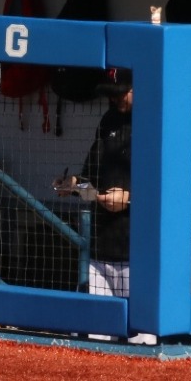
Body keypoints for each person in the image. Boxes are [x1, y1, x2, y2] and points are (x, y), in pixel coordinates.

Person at [72, 70, 133, 298]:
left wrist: (130, 198)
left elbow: (177, 190)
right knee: (94, 330)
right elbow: (91, 177)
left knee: (140, 333)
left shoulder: (159, 122)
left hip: (139, 254)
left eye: (121, 94)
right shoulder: (109, 119)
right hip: (100, 248)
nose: (115, 100)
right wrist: (75, 186)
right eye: (110, 95)